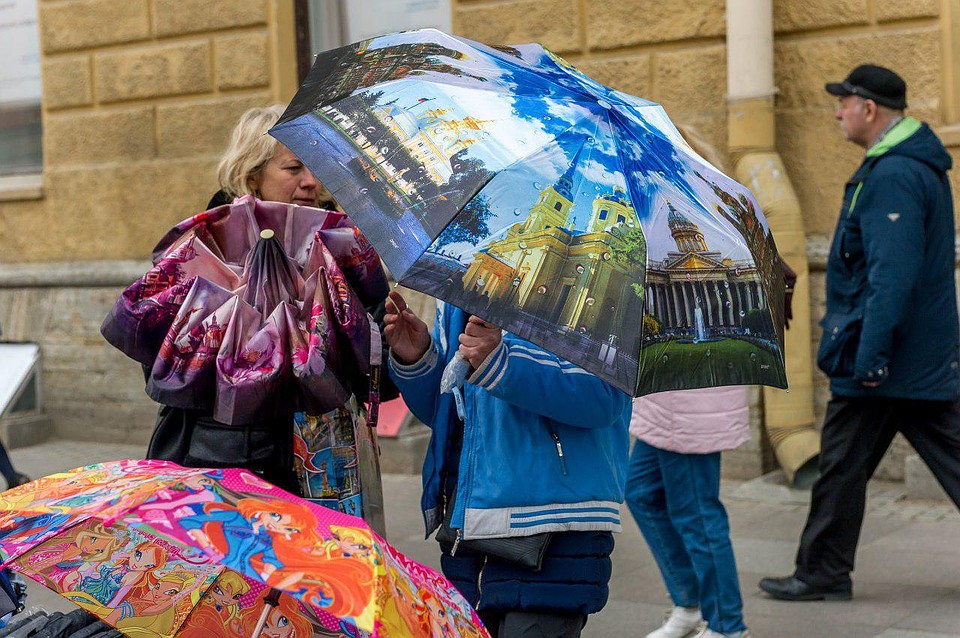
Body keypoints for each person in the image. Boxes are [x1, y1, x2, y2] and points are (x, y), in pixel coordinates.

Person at [759, 64, 960, 602]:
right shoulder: (906, 167)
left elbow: (891, 276)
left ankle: (821, 572)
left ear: (868, 109)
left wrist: (869, 358)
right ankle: (822, 571)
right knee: (843, 470)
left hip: (883, 361)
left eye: (843, 103)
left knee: (841, 470)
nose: (837, 113)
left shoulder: (893, 174)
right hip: (907, 360)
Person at [146, 105, 396, 501]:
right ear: (252, 177)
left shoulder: (345, 248)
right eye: (294, 168)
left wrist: (395, 345)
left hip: (328, 470)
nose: (311, 182)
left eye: (317, 167)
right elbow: (161, 372)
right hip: (227, 470)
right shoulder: (201, 251)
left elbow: (382, 374)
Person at [384, 290, 632, 638]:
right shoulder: (465, 277)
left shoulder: (595, 272)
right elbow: (457, 420)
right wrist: (419, 360)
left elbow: (604, 397)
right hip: (471, 527)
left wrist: (501, 360)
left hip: (552, 525)